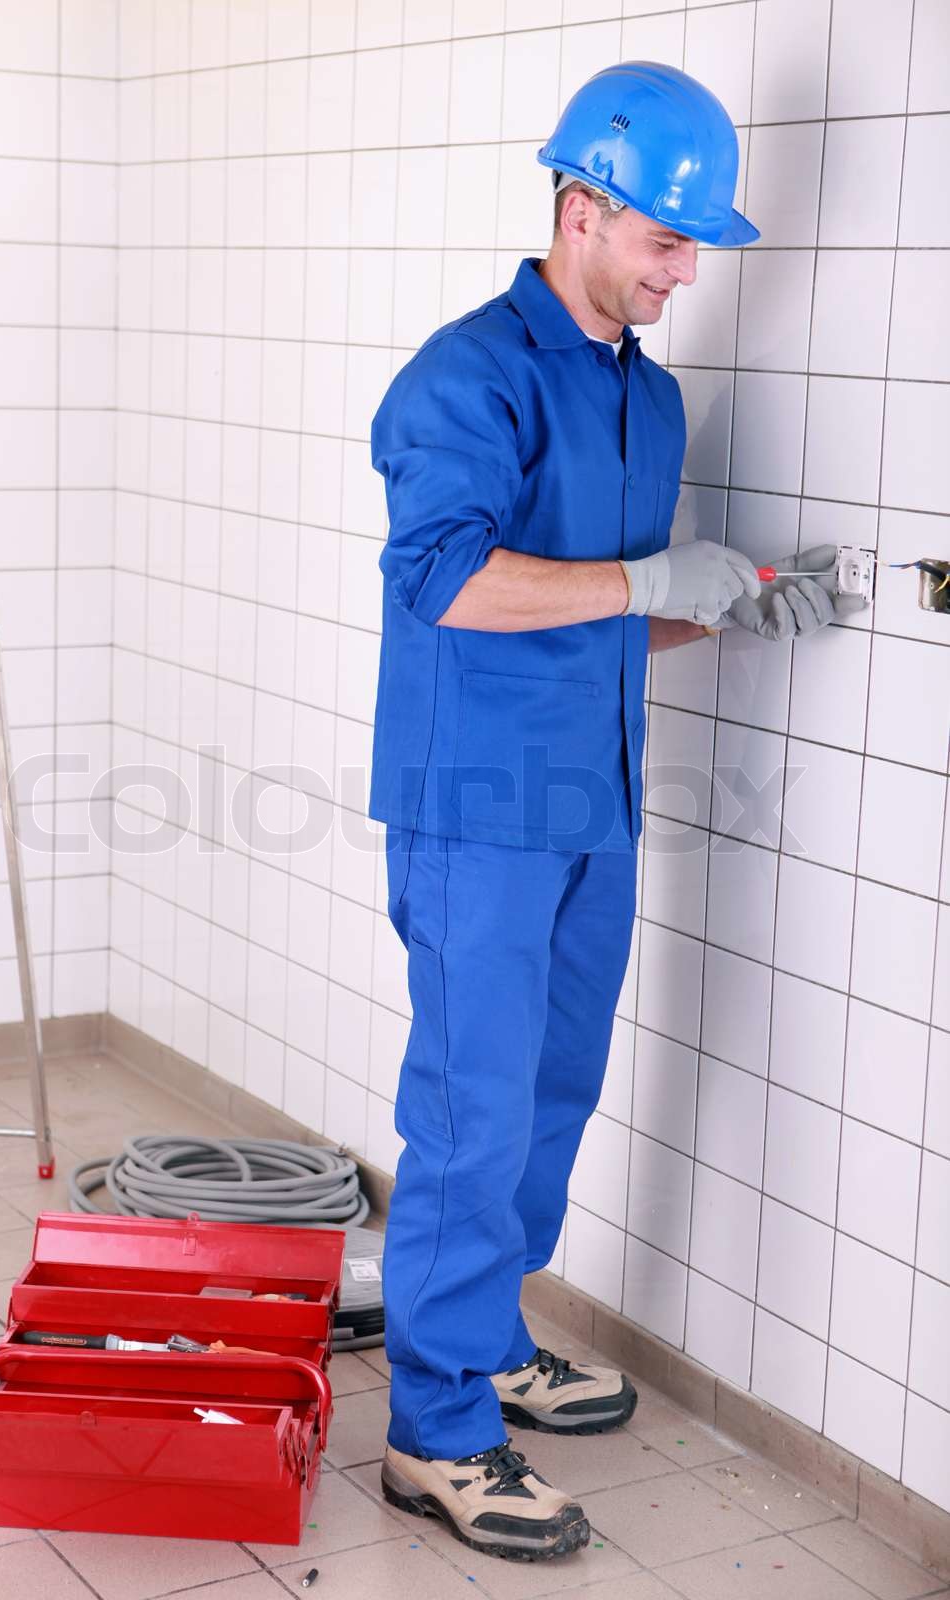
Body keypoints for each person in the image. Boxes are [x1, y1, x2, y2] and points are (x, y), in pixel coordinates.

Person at [366, 60, 864, 1564]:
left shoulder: (651, 400)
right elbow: (448, 581)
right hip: (477, 807)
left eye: (694, 241)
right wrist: (653, 579)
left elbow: (596, 614)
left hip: (597, 800)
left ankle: (490, 1329)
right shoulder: (468, 375)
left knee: (552, 1090)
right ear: (580, 210)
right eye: (664, 235)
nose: (685, 266)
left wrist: (738, 606)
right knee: (471, 1107)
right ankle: (436, 1429)